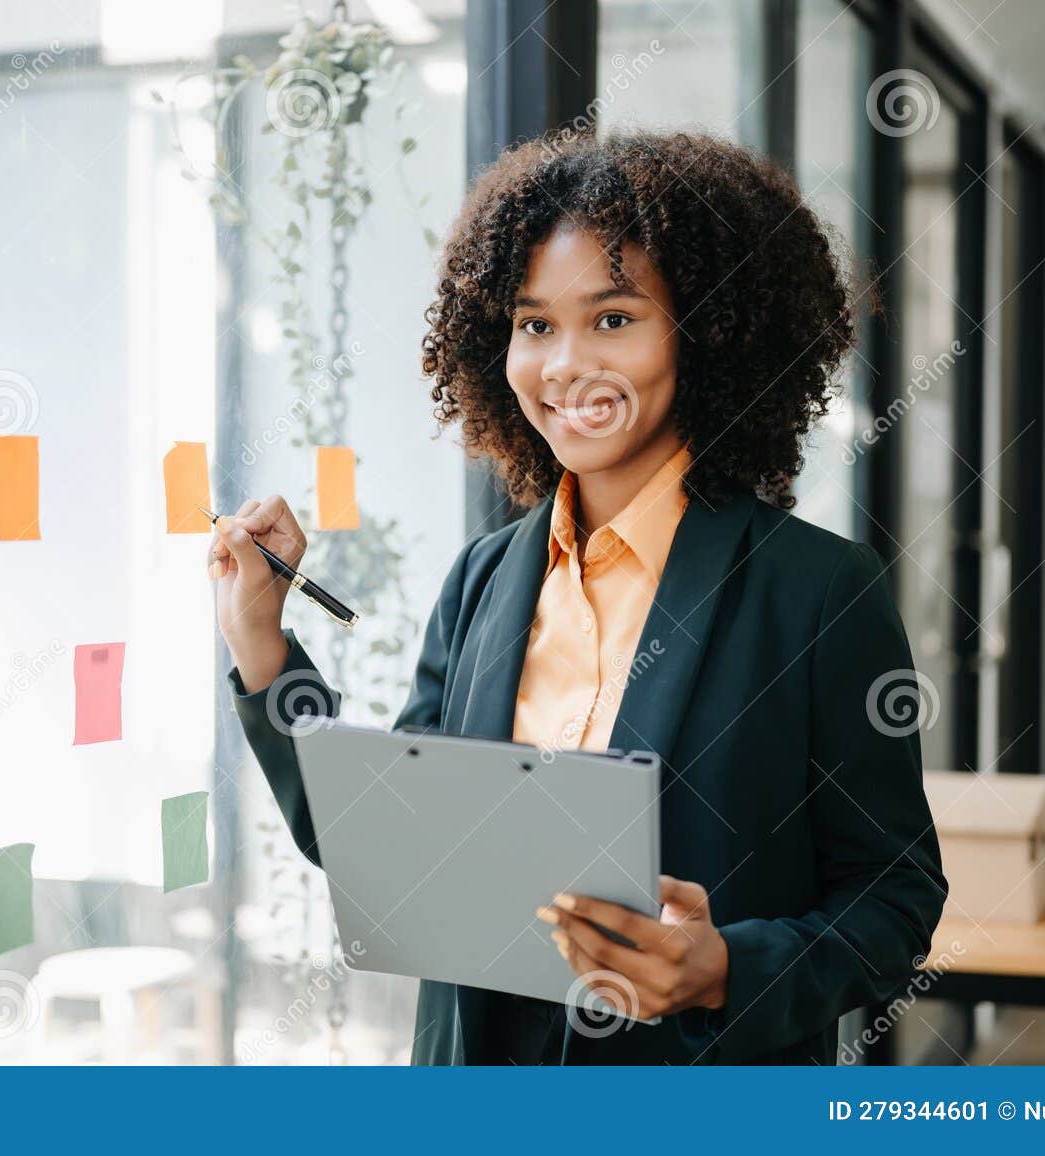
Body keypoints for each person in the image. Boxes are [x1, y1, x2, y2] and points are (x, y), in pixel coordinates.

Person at [206, 129, 947, 1065]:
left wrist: (723, 969)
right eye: (534, 325)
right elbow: (381, 846)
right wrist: (260, 640)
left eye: (613, 319)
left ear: (708, 333)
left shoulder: (816, 591)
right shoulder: (482, 583)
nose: (562, 365)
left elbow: (894, 901)